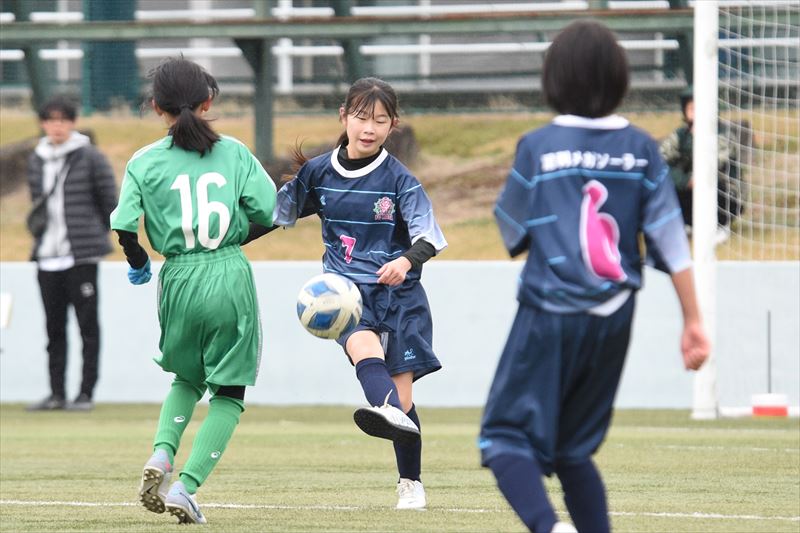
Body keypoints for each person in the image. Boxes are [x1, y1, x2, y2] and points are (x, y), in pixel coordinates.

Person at [478, 21, 710, 533]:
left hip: (549, 311)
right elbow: (672, 242)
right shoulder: (643, 149)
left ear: (553, 79)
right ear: (620, 78)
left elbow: (512, 227)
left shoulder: (537, 147)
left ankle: (550, 527)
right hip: (614, 317)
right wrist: (693, 321)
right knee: (572, 450)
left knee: (502, 438)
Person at [246, 77, 447, 510]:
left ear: (392, 125)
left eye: (380, 120)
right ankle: (392, 426)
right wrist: (222, 244)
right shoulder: (319, 172)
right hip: (347, 295)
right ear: (344, 117)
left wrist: (404, 261)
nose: (369, 128)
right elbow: (273, 215)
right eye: (361, 117)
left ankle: (410, 479)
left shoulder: (400, 179)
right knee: (362, 348)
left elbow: (428, 237)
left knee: (402, 404)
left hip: (400, 298)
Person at [110, 58, 276, 525]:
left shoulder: (144, 161)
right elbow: (269, 211)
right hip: (227, 272)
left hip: (177, 276)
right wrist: (232, 236)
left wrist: (139, 264)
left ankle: (162, 454)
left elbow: (124, 226)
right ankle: (186, 486)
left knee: (186, 378)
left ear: (155, 106)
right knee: (229, 390)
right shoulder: (234, 152)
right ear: (208, 101)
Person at [26, 94, 118, 412]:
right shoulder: (36, 159)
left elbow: (110, 202)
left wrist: (97, 237)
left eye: (63, 120)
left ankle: (85, 393)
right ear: (43, 124)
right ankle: (56, 394)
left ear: (73, 123)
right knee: (54, 329)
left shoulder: (90, 157)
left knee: (87, 327)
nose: (57, 126)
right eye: (51, 120)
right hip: (47, 256)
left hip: (81, 256)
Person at [659, 86, 744, 244]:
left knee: (712, 186)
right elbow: (660, 159)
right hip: (689, 186)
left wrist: (696, 178)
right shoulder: (680, 135)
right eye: (691, 108)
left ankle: (720, 226)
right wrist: (684, 180)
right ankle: (686, 223)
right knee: (667, 185)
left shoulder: (723, 135)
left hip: (722, 191)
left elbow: (713, 162)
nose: (695, 112)